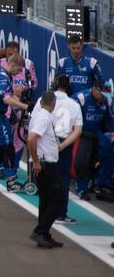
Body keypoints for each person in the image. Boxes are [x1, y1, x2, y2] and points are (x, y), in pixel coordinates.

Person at [0, 53, 29, 192]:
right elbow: (6, 99)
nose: (19, 72)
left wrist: (21, 102)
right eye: (18, 69)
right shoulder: (3, 77)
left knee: (2, 148)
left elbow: (10, 95)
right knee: (8, 148)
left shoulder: (4, 74)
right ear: (13, 64)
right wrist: (25, 106)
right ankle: (11, 182)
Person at [27, 91, 67, 248]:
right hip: (45, 164)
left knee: (45, 200)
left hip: (42, 163)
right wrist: (36, 161)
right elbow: (31, 139)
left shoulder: (38, 115)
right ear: (53, 103)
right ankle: (40, 230)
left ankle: (44, 234)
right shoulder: (43, 117)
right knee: (59, 199)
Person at [50, 74, 82, 225]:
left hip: (47, 139)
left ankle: (46, 212)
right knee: (63, 179)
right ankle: (61, 214)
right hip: (64, 142)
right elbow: (77, 131)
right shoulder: (74, 104)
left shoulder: (45, 99)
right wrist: (63, 145)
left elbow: (35, 119)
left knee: (46, 178)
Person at [55, 36, 107, 101]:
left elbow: (104, 84)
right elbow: (55, 86)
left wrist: (109, 101)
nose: (76, 51)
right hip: (68, 103)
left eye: (78, 48)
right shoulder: (62, 63)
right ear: (68, 46)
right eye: (73, 48)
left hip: (86, 104)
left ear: (82, 46)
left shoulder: (92, 63)